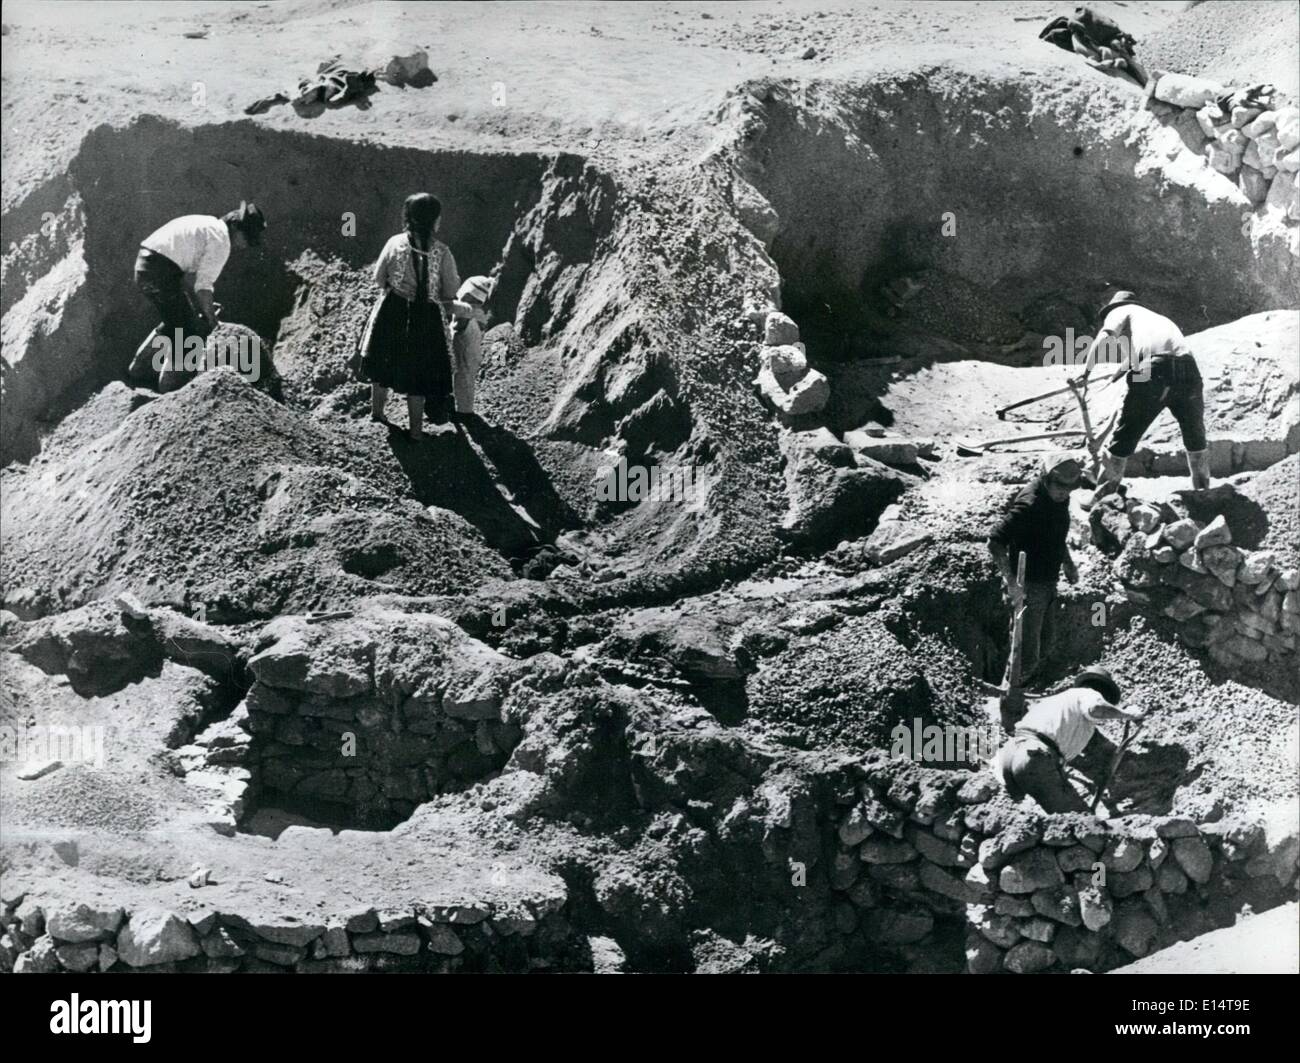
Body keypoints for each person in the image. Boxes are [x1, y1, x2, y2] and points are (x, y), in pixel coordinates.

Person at [1074, 291, 1209, 508]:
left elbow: (1105, 336)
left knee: (1125, 435)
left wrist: (1086, 372)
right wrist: (1116, 374)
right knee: (1195, 436)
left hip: (1155, 370)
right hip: (1188, 370)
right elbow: (1140, 356)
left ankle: (1102, 498)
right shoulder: (1157, 321)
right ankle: (1204, 493)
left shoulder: (1120, 311)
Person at [358, 193, 461, 440]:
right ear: (434, 221)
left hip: (392, 309)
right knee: (420, 373)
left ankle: (378, 413)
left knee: (382, 360)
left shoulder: (394, 243)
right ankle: (416, 432)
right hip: (426, 316)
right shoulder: (442, 253)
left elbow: (378, 278)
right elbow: (451, 290)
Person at [129, 202, 266, 388]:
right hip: (161, 272)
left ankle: (139, 369)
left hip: (146, 266)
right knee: (188, 331)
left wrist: (204, 307)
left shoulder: (208, 223)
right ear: (235, 227)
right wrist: (212, 319)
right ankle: (169, 388)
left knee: (176, 319)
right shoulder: (221, 241)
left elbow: (189, 278)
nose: (245, 245)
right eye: (247, 238)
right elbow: (202, 287)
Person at [993, 665, 1147, 813]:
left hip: (1010, 754)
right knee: (1083, 825)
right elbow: (1096, 708)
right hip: (1034, 756)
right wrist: (1127, 714)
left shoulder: (1060, 703)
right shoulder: (1089, 694)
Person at [988, 452, 1083, 689]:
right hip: (1027, 586)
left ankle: (1024, 682)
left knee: (1046, 641)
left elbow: (1056, 534)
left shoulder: (1060, 499)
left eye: (1069, 489)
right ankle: (1010, 694)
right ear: (1046, 479)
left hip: (1048, 582)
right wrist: (1011, 584)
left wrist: (1067, 563)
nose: (1065, 493)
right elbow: (995, 541)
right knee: (1025, 653)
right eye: (1060, 487)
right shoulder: (1029, 505)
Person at [450, 275, 492, 418]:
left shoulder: (468, 311)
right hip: (466, 351)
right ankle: (460, 408)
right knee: (462, 379)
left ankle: (465, 413)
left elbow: (457, 324)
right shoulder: (473, 310)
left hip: (467, 351)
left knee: (464, 380)